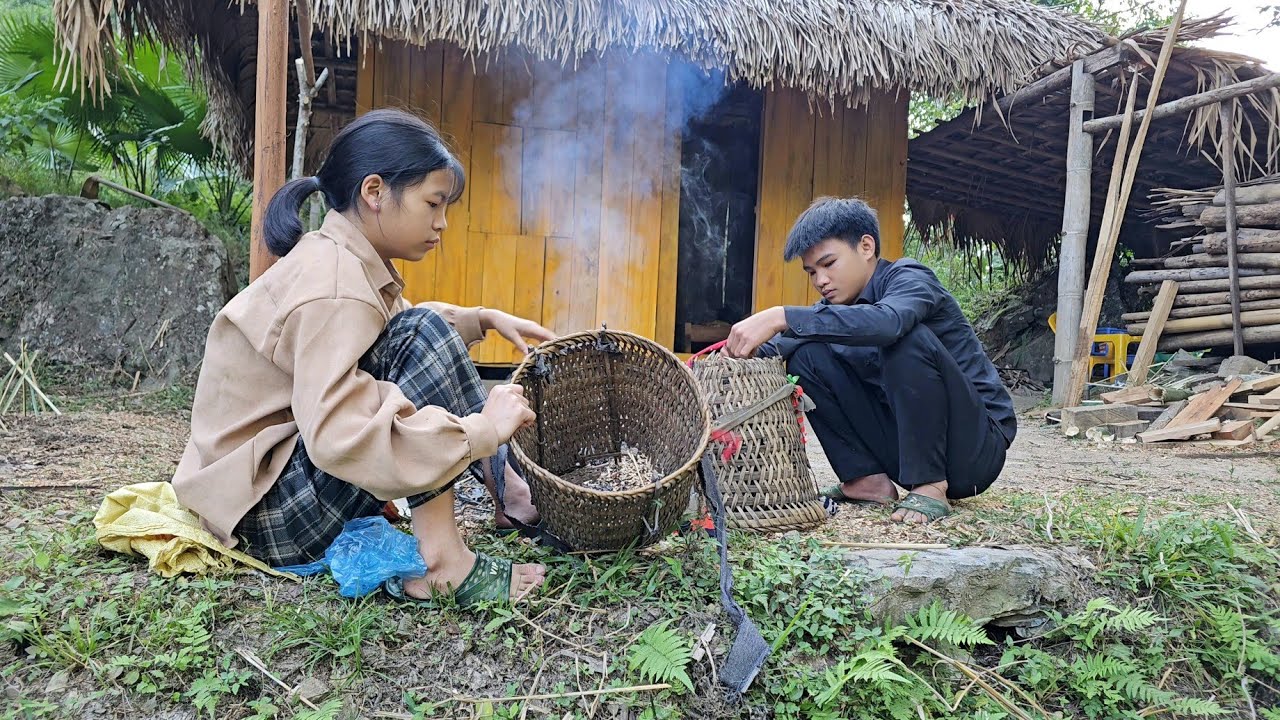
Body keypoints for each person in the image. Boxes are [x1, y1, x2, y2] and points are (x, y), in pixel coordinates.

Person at [171, 109, 552, 604]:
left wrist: (479, 318)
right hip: (268, 518)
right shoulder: (335, 284)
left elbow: (394, 332)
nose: (441, 224)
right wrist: (482, 433)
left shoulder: (344, 259)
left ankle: (511, 497)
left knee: (423, 332)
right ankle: (444, 562)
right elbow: (338, 435)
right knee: (424, 335)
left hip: (269, 494)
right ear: (374, 193)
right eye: (433, 204)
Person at [723, 197, 1016, 523]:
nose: (820, 280)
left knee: (904, 336)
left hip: (974, 450)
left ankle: (931, 485)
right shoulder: (832, 311)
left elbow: (888, 322)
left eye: (828, 263)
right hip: (902, 451)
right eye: (811, 272)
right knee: (806, 354)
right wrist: (730, 356)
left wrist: (781, 315)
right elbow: (774, 348)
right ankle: (866, 479)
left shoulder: (910, 279)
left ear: (865, 246)